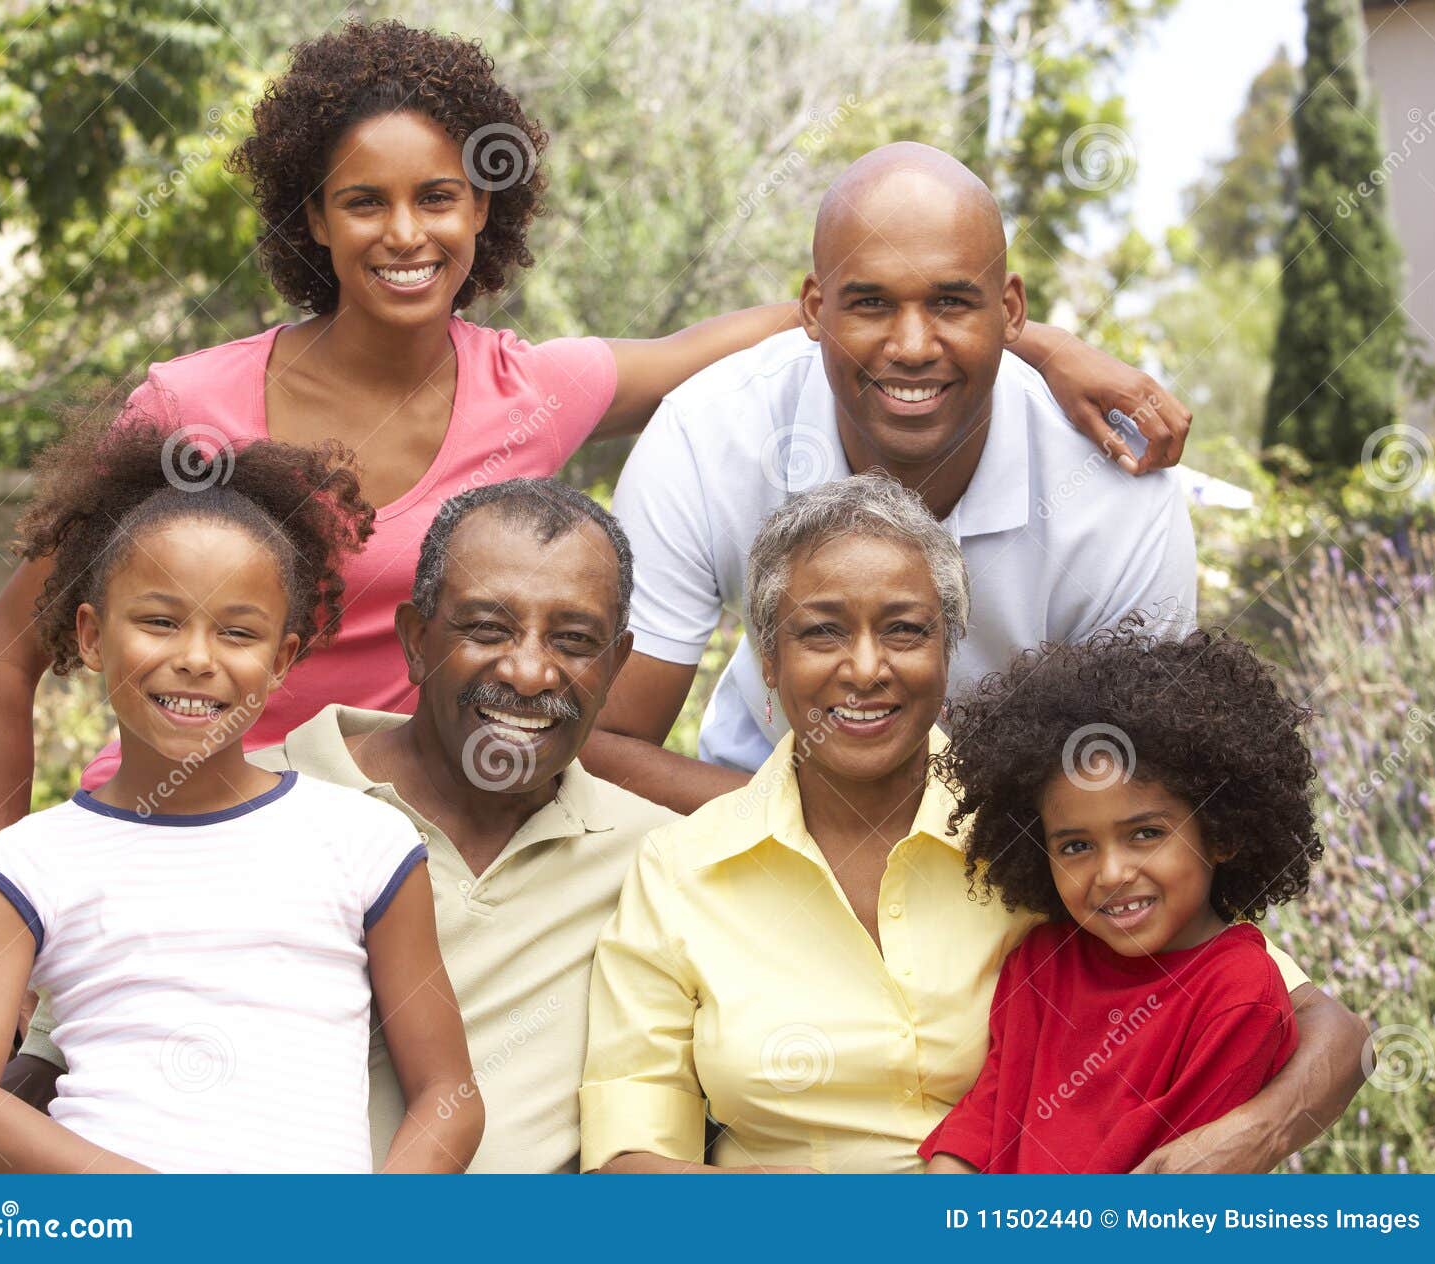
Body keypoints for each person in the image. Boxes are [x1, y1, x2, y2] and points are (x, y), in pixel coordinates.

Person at [0, 20, 1189, 849]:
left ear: (481, 210)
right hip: (187, 831)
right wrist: (9, 901)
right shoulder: (192, 412)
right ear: (310, 219)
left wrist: (1038, 348)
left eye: (438, 197)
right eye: (363, 202)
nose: (405, 233)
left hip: (410, 848)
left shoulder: (533, 391)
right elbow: (1, 666)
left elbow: (845, 318)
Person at [580, 475, 1364, 1174]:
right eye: (822, 631)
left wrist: (1250, 1136)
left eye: (904, 629)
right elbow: (629, 1158)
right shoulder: (683, 869)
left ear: (948, 651)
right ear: (768, 660)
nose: (866, 667)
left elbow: (1324, 1027)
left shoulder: (1052, 830)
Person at [0, 478, 677, 1174]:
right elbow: (54, 1066)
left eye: (575, 640)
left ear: (614, 664)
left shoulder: (666, 861)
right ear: (416, 641)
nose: (529, 673)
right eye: (487, 629)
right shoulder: (211, 809)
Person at [0, 414, 481, 1173]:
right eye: (159, 621)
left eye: (238, 633)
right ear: (90, 636)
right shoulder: (28, 863)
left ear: (282, 659)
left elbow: (449, 1094)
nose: (197, 658)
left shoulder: (364, 841)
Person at [587, 141, 1199, 813]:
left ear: (1011, 310)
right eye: (872, 303)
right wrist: (815, 836)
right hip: (743, 818)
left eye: (951, 302)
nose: (911, 348)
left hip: (1008, 848)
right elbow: (605, 746)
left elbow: (1137, 799)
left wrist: (919, 845)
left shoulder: (1115, 491)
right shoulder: (710, 434)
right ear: (814, 310)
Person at [919, 624, 1322, 1174]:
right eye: (1076, 845)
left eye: (1146, 834)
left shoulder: (1241, 992)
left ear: (1222, 833)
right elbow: (987, 1116)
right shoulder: (1042, 960)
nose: (1111, 873)